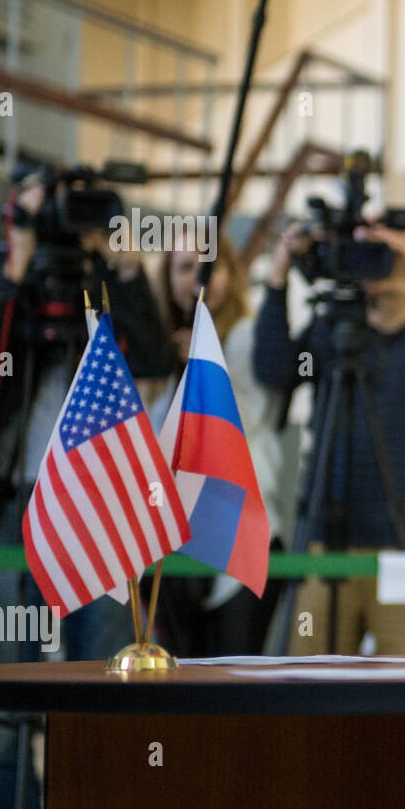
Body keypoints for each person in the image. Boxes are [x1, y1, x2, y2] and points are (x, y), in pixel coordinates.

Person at [0, 163, 175, 809]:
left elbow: (153, 356)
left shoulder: (107, 285)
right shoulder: (6, 287)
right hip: (9, 507)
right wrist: (19, 255)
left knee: (101, 695)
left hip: (99, 508)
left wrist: (124, 265)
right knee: (6, 705)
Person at [254, 219, 405, 655]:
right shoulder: (333, 330)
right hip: (329, 542)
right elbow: (271, 370)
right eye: (362, 258)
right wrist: (279, 275)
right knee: (309, 688)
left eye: (386, 257)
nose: (376, 272)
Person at [149, 238, 287, 656]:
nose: (199, 277)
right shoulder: (157, 353)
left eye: (210, 266)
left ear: (231, 272)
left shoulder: (249, 336)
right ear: (169, 278)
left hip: (242, 529)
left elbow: (239, 421)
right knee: (181, 676)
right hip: (173, 540)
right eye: (185, 267)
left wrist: (199, 359)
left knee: (237, 675)